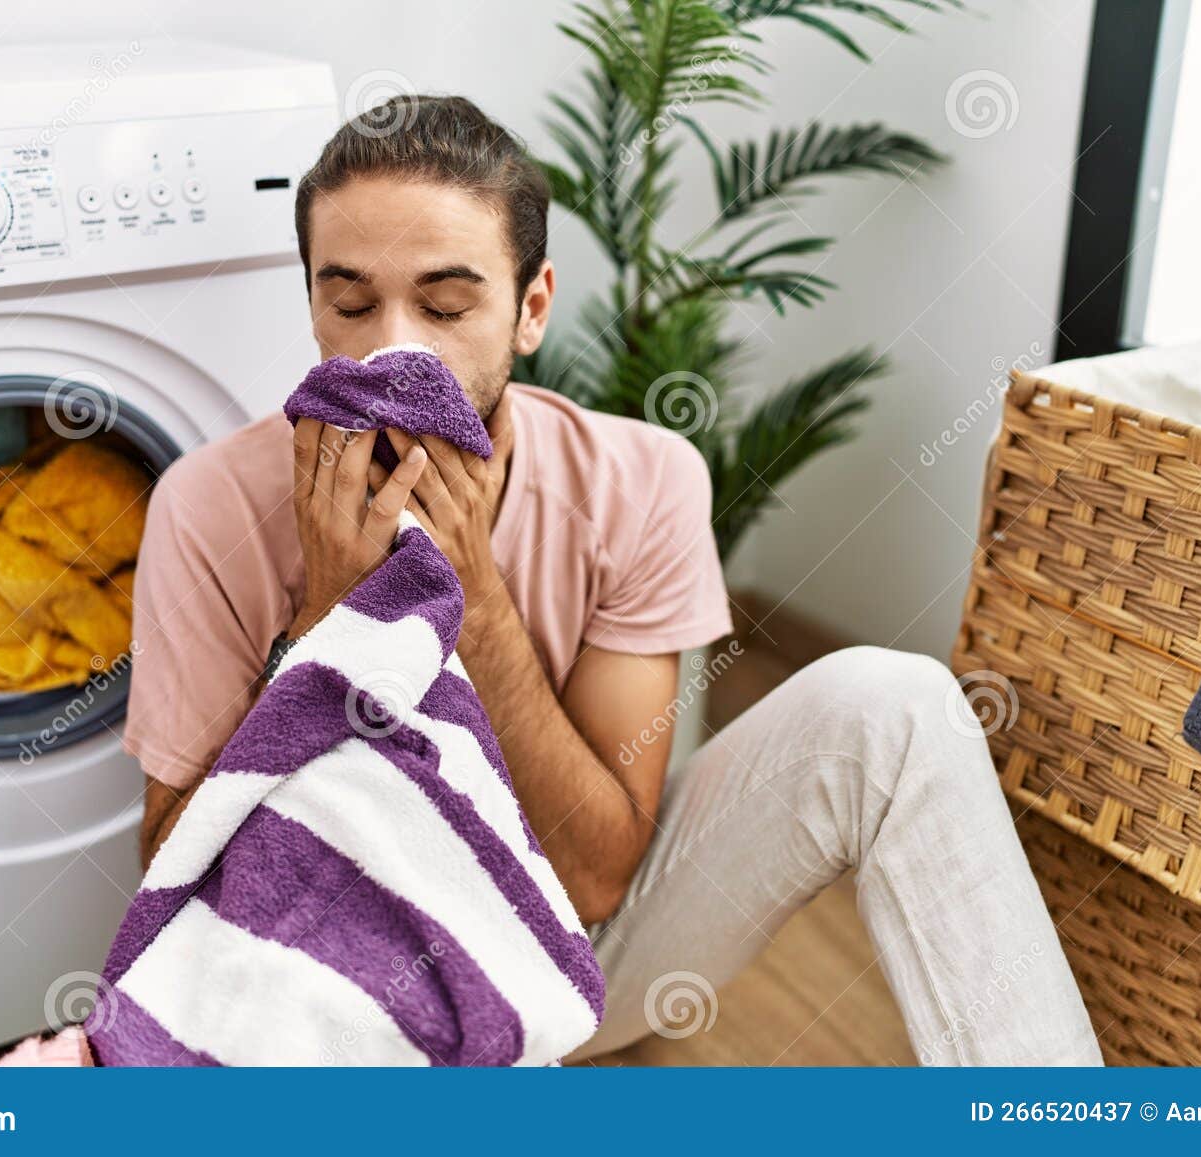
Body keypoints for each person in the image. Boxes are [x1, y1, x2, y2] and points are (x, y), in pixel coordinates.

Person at [124, 94, 1103, 1066]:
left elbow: (594, 878)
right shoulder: (208, 506)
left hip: (559, 959)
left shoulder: (640, 482)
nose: (394, 351)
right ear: (312, 307)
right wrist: (325, 626)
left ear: (531, 309)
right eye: (349, 304)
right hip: (298, 990)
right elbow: (173, 874)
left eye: (446, 306)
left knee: (894, 703)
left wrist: (476, 600)